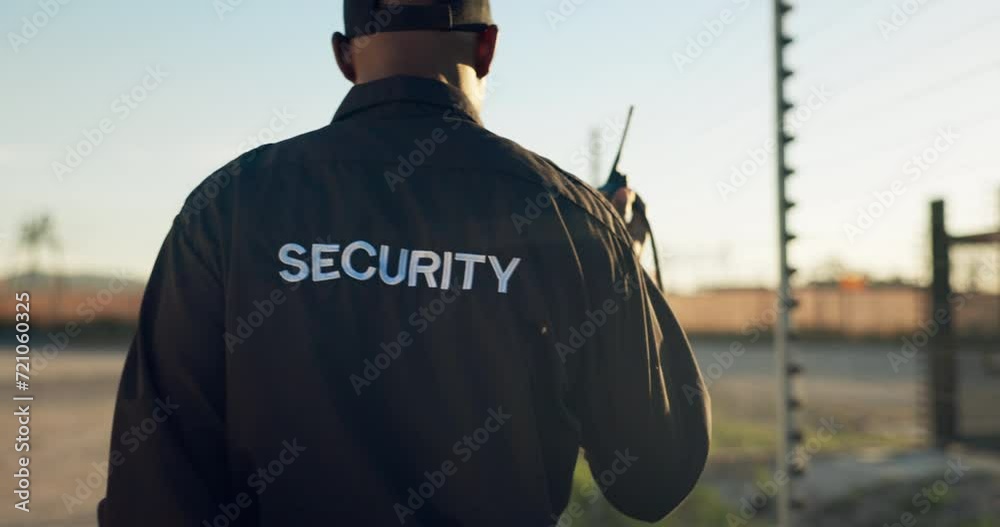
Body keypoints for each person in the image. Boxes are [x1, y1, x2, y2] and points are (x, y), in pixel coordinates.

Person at [98, 0, 711, 525]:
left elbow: (149, 495)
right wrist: (627, 263)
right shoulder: (572, 223)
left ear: (343, 56)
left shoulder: (225, 211)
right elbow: (655, 473)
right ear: (488, 47)